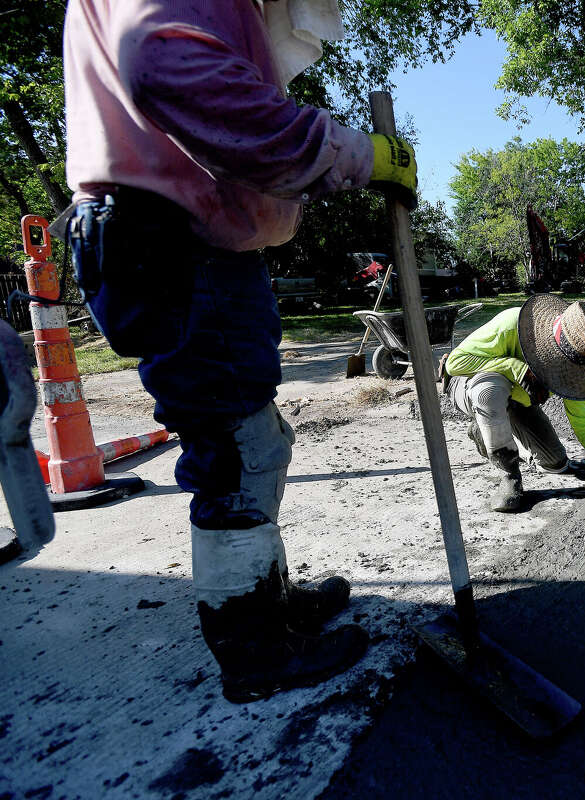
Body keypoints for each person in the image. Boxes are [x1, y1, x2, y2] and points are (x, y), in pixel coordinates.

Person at [59, 0, 417, 703]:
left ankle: (265, 599)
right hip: (177, 247)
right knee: (236, 450)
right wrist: (351, 152)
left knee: (257, 438)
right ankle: (253, 646)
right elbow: (170, 64)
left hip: (191, 246)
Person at [442, 295, 585, 512]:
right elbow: (456, 363)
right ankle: (508, 473)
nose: (565, 370)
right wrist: (515, 367)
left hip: (516, 402)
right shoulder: (512, 325)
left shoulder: (576, 362)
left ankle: (501, 436)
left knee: (554, 463)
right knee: (489, 390)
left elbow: (583, 419)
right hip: (467, 384)